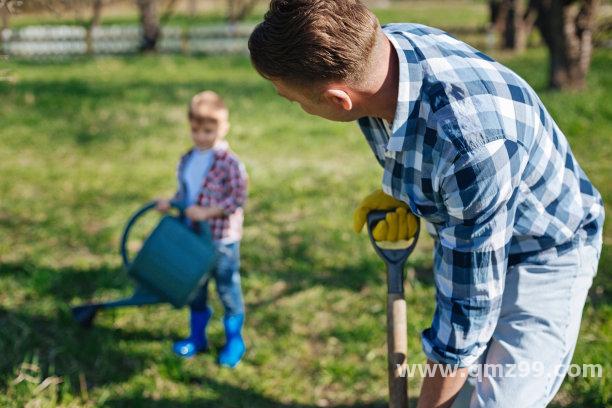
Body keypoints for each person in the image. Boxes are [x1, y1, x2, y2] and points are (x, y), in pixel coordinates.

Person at [247, 0, 604, 406]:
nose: (298, 108)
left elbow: (467, 311)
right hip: (478, 222)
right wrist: (407, 191)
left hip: (545, 249)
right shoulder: (382, 54)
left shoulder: (471, 144)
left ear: (337, 100)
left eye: (295, 101)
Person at [156, 90, 248, 368]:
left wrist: (208, 212)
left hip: (221, 238)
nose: (202, 136)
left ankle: (234, 340)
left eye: (209, 130)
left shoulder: (229, 163)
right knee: (195, 287)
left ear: (223, 128)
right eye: (196, 130)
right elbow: (186, 194)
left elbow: (237, 198)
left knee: (227, 288)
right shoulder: (187, 159)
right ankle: (197, 336)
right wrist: (170, 202)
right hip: (193, 236)